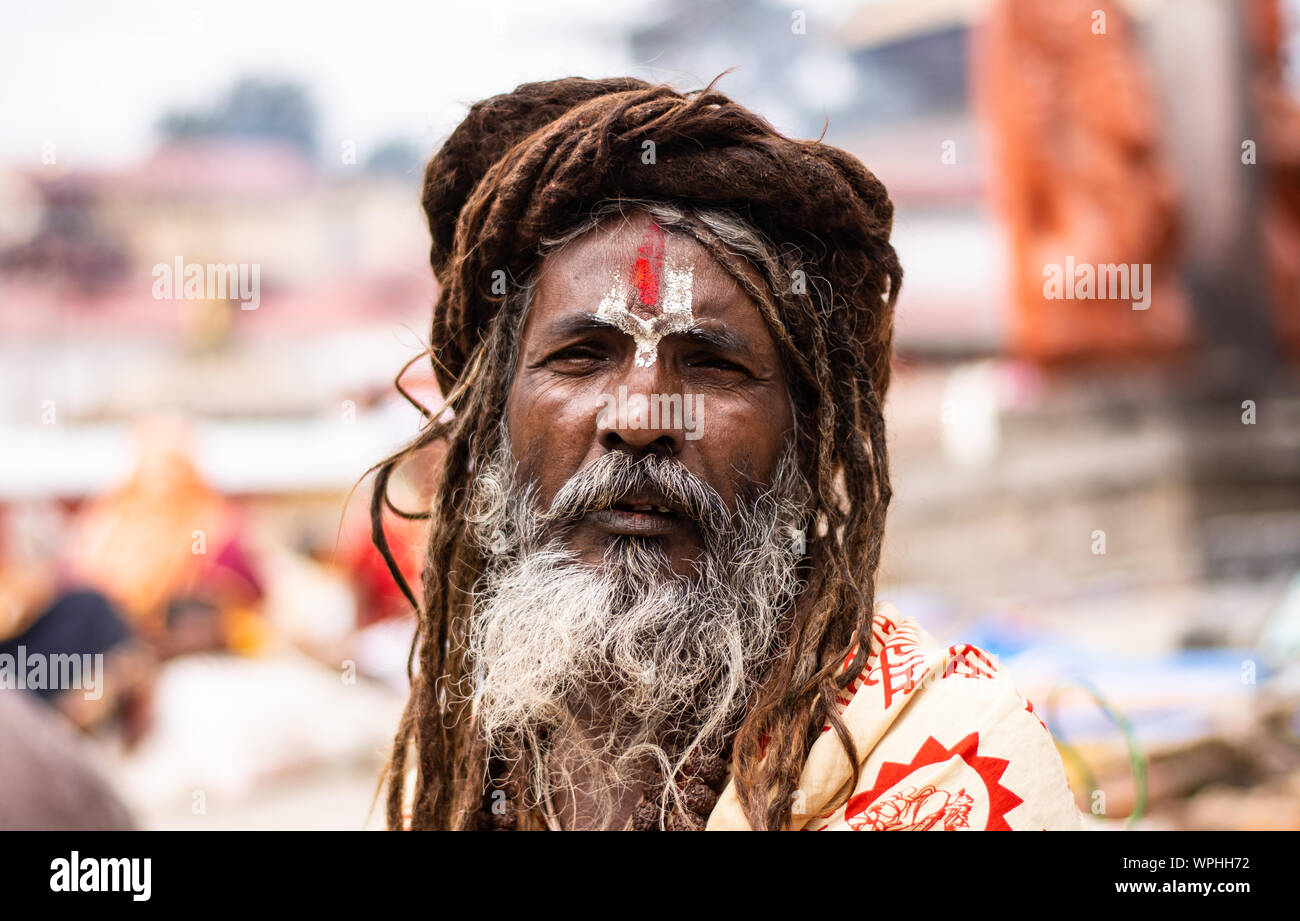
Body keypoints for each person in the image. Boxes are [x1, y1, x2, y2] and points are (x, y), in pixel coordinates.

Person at [369, 76, 1083, 831]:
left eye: (712, 363)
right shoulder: (453, 763)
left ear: (807, 441)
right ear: (491, 426)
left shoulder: (956, 760)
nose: (642, 416)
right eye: (582, 355)